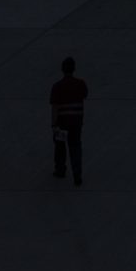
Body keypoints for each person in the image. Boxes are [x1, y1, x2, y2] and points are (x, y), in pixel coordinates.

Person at [50, 56, 88, 185]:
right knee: (75, 147)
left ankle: (60, 170)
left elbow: (55, 107)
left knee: (60, 146)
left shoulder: (57, 87)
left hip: (62, 123)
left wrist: (53, 124)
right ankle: (77, 175)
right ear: (74, 69)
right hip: (76, 122)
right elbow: (84, 95)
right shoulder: (81, 84)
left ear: (62, 69)